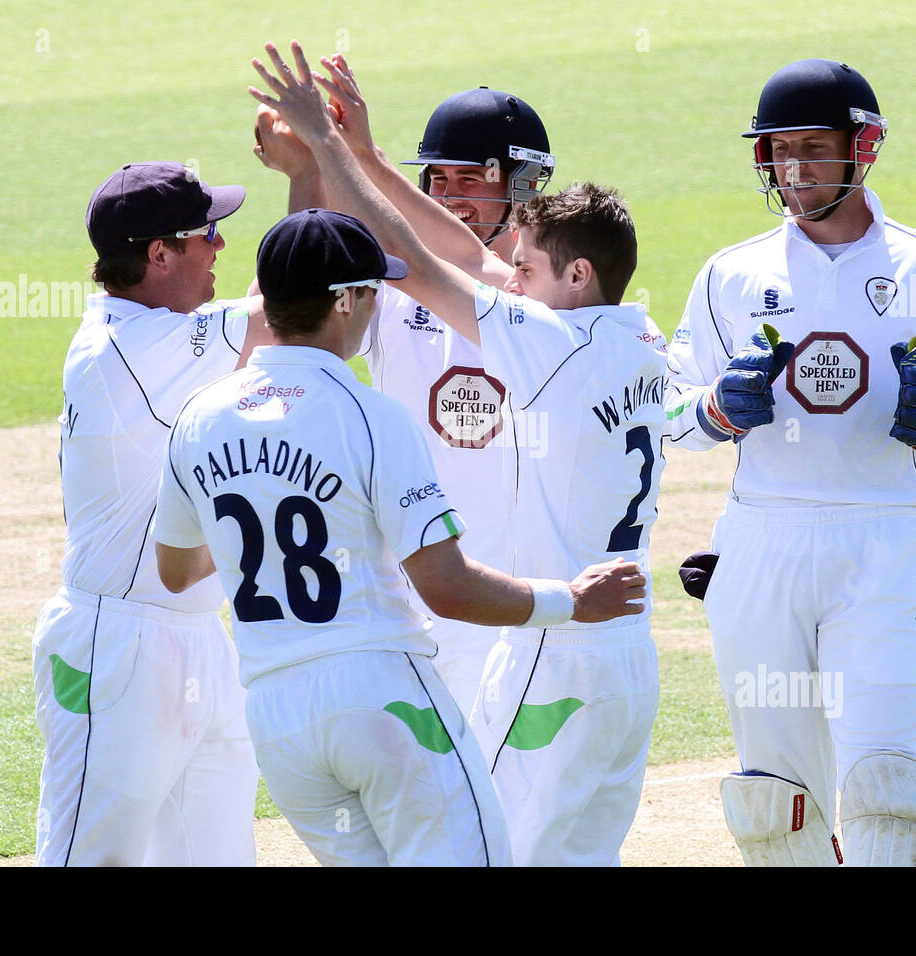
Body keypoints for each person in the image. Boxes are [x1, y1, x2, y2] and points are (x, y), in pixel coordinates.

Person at [248, 41, 667, 866]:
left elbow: (425, 259)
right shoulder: (635, 335)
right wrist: (360, 154)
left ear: (575, 274)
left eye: (527, 270)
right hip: (624, 651)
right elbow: (471, 258)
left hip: (550, 632)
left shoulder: (547, 345)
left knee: (485, 847)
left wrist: (329, 150)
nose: (508, 278)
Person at [152, 207, 647, 866]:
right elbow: (448, 589)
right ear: (347, 300)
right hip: (381, 701)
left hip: (277, 719)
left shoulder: (200, 418)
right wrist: (572, 602)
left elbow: (178, 570)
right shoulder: (374, 417)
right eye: (372, 287)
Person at [664, 59, 916, 866]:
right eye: (777, 151)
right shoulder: (730, 273)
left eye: (812, 148)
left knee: (888, 792)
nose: (792, 170)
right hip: (761, 549)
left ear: (864, 147)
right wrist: (714, 409)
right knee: (775, 806)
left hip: (881, 546)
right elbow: (665, 415)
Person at [253, 70, 556, 718]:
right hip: (403, 603)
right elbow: (304, 294)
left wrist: (348, 149)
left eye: (470, 180)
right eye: (437, 180)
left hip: (511, 600)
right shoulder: (387, 294)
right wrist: (306, 171)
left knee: (503, 808)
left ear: (526, 184)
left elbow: (441, 257)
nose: (450, 197)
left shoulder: (539, 300)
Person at [31, 161, 270, 866]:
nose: (221, 246)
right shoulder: (129, 351)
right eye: (207, 232)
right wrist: (318, 158)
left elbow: (272, 306)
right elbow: (282, 304)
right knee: (90, 858)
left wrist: (312, 168)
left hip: (196, 636)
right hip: (117, 645)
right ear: (158, 254)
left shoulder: (163, 340)